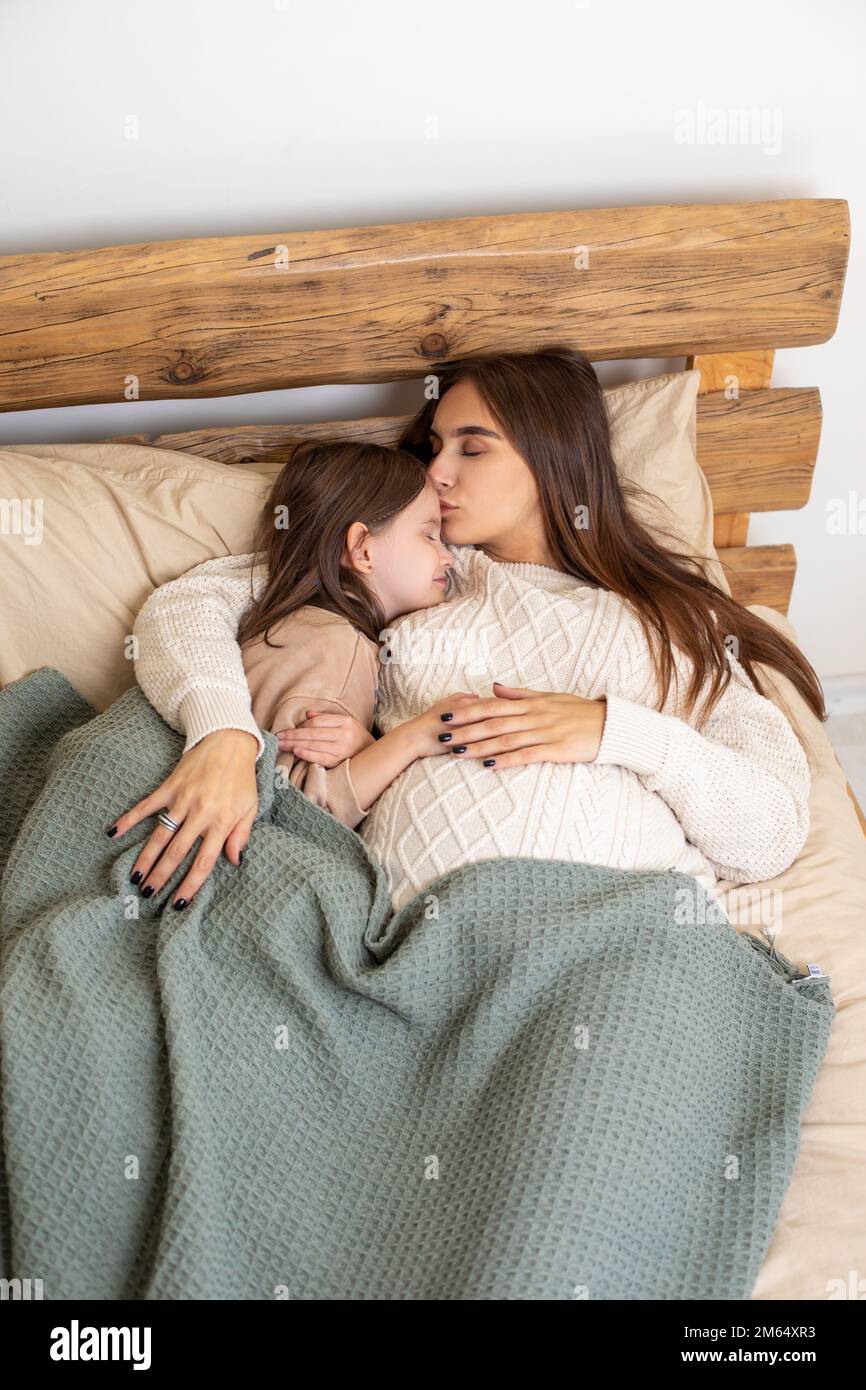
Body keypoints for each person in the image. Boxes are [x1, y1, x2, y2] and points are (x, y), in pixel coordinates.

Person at [109, 346, 820, 912]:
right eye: (434, 448)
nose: (437, 473)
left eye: (471, 450)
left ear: (553, 460)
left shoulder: (661, 622)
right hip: (412, 946)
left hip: (620, 928)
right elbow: (188, 606)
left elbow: (769, 836)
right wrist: (225, 737)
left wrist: (614, 732)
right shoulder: (402, 569)